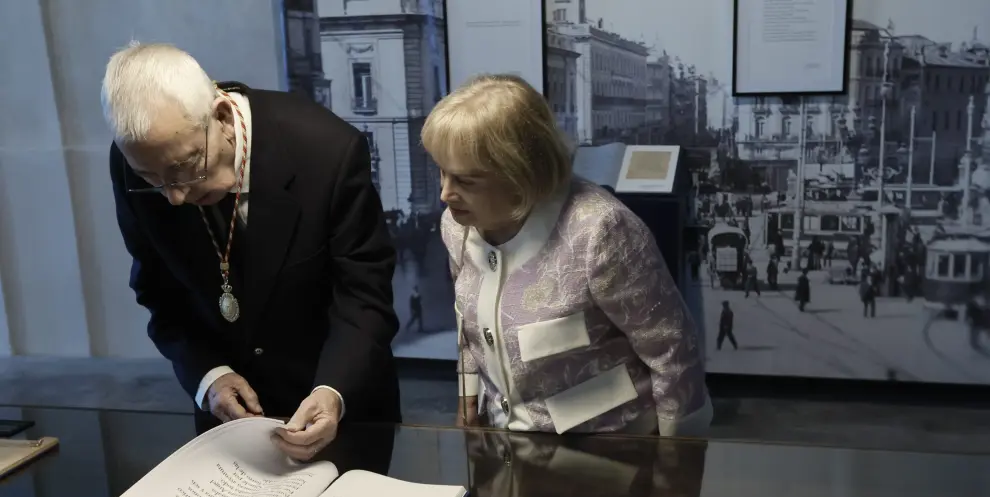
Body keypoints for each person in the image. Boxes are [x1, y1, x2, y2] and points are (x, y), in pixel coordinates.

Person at [102, 43, 400, 459]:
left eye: (186, 168)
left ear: (222, 118)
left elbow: (364, 294)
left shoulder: (327, 151)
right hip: (228, 425)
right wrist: (210, 377)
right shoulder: (137, 159)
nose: (173, 196)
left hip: (339, 408)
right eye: (151, 178)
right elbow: (158, 291)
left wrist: (332, 392)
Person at [423, 74, 711, 437]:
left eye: (466, 181)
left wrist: (676, 462)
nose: (445, 194)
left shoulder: (602, 231)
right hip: (509, 443)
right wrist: (468, 397)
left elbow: (672, 349)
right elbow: (467, 320)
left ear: (520, 174)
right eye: (442, 172)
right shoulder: (457, 224)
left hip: (612, 446)